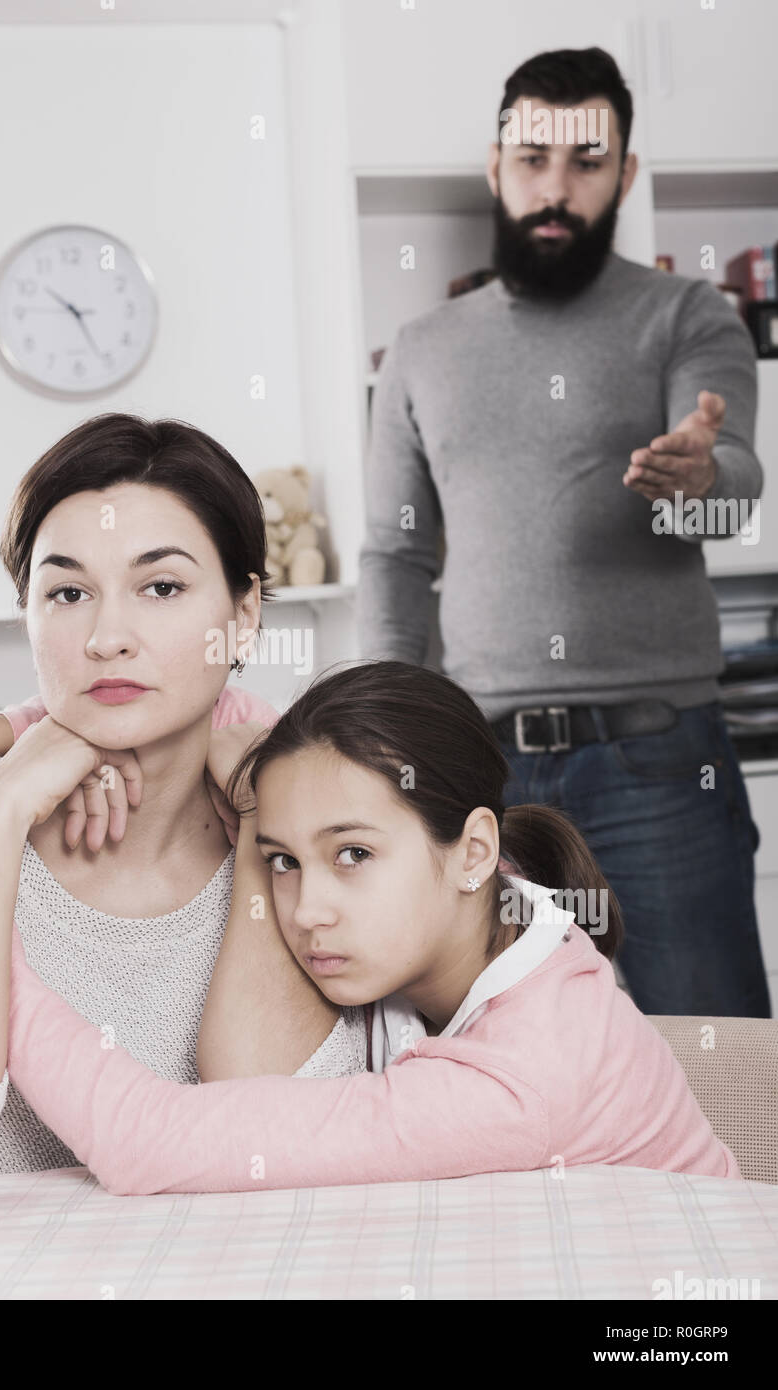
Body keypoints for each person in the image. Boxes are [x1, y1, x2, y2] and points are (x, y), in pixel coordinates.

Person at [0, 413, 369, 1211]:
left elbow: (270, 1140)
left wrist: (261, 817)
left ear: (245, 616)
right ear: (26, 616)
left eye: (162, 587)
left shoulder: (312, 841)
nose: (109, 636)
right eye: (68, 592)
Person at [0, 660, 740, 1195]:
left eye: (352, 854)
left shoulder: (528, 1075)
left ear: (473, 850)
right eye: (283, 861)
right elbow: (232, 711)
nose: (306, 910)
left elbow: (139, 1140)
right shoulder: (491, 908)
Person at [357, 46, 770, 1018]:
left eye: (588, 162)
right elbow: (396, 551)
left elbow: (731, 487)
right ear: (497, 167)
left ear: (625, 176)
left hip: (659, 763)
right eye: (534, 158)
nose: (557, 186)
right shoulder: (423, 350)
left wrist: (696, 477)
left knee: (715, 1043)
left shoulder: (689, 315)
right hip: (479, 773)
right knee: (491, 1044)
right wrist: (382, 733)